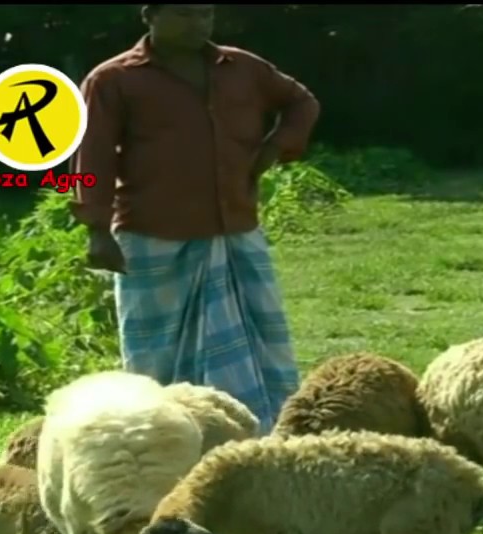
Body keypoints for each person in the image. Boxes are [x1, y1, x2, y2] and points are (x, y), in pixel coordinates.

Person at [69, 4, 320, 433]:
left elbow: (301, 103)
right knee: (156, 356)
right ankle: (165, 436)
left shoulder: (241, 67)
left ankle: (258, 432)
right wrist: (97, 230)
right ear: (149, 15)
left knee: (262, 342)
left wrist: (273, 149)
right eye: (184, 14)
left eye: (205, 14)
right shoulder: (114, 80)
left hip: (236, 231)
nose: (197, 24)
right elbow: (91, 155)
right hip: (153, 236)